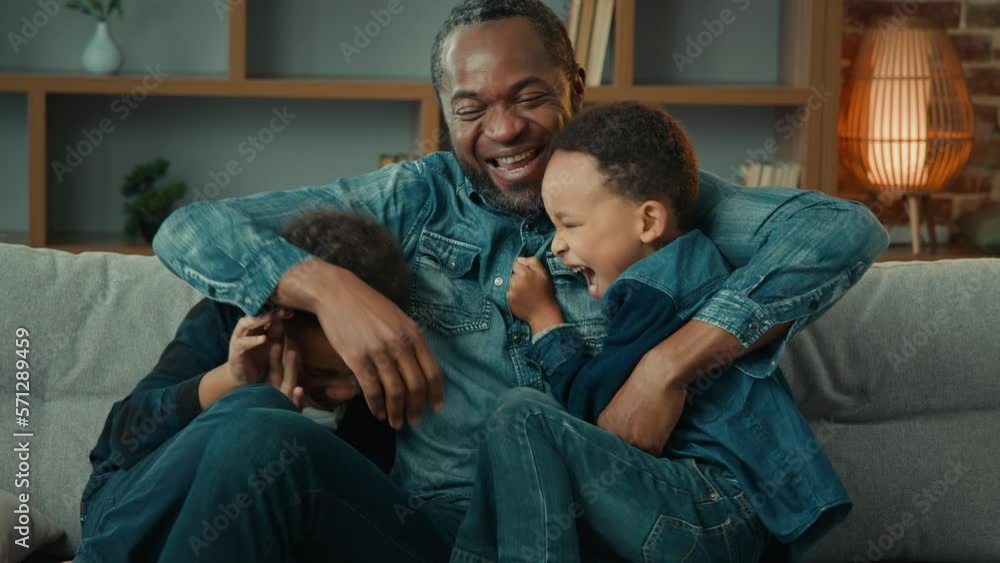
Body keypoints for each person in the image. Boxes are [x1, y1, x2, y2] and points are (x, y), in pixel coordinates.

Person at [119, 0, 887, 560]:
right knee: (255, 435)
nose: (504, 128)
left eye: (527, 96)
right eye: (472, 108)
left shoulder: (634, 194)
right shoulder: (414, 198)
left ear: (574, 87)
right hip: (438, 532)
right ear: (445, 118)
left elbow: (841, 229)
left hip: (605, 526)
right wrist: (329, 289)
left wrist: (668, 365)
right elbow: (191, 229)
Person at [450, 102, 851, 562]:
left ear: (647, 222)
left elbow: (594, 409)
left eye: (570, 224)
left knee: (522, 414)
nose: (556, 244)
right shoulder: (676, 276)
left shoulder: (661, 289)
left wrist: (544, 320)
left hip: (712, 510)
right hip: (698, 505)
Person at [74, 211, 409, 562]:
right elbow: (119, 442)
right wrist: (231, 382)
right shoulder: (225, 320)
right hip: (126, 509)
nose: (343, 393)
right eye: (320, 373)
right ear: (275, 324)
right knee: (259, 410)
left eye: (358, 375)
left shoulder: (386, 364)